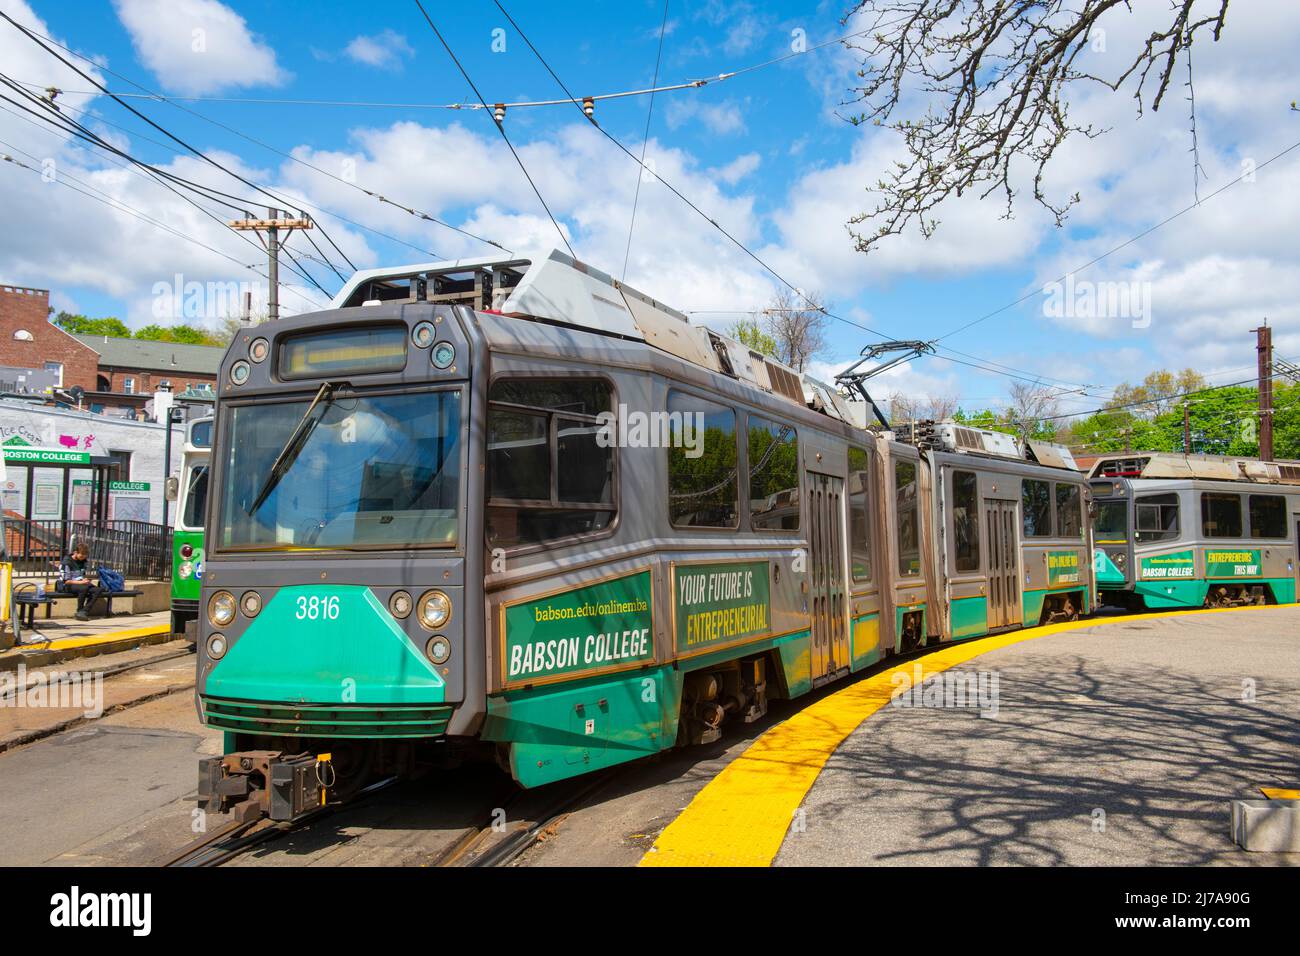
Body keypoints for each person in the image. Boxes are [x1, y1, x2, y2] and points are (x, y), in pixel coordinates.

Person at [58, 543, 101, 621]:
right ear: (75, 552)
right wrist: (81, 582)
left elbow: (81, 575)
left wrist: (85, 580)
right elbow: (66, 581)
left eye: (84, 556)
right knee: (83, 588)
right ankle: (79, 609)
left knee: (98, 590)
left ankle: (84, 611)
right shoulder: (66, 563)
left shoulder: (83, 561)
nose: (82, 558)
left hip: (79, 583)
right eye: (81, 556)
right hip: (66, 585)